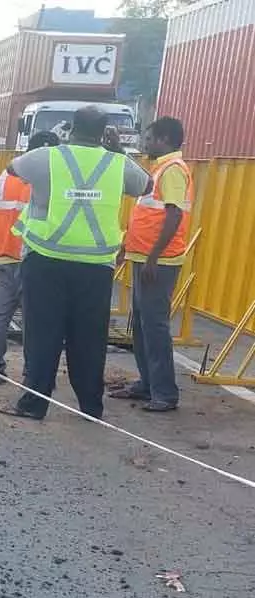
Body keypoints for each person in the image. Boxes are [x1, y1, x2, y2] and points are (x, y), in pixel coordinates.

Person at [0, 106, 151, 421]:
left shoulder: (48, 157)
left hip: (45, 258)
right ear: (104, 132)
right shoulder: (117, 163)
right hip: (96, 265)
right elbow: (146, 185)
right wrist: (117, 150)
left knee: (42, 335)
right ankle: (91, 407)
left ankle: (34, 403)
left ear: (71, 129)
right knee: (89, 338)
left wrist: (56, 146)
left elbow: (12, 168)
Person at [111, 116, 193, 413]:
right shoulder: (160, 169)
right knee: (142, 324)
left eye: (148, 139)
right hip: (144, 256)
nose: (145, 144)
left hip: (158, 260)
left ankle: (164, 393)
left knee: (154, 326)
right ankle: (148, 384)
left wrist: (154, 257)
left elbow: (174, 215)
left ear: (164, 139)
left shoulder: (173, 170)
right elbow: (147, 209)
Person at [0, 130, 63, 385]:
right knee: (34, 319)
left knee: (0, 313)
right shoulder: (53, 179)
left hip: (3, 254)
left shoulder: (2, 178)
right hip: (36, 257)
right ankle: (32, 373)